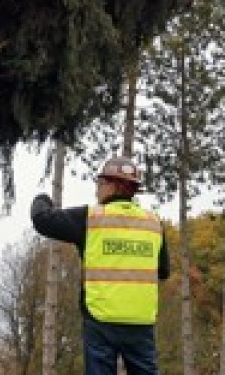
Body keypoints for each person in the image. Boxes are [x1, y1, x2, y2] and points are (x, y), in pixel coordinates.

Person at [31, 155, 170, 375]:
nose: (97, 189)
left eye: (100, 183)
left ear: (113, 186)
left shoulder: (90, 218)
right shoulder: (153, 223)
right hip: (140, 323)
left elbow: (41, 219)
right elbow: (163, 271)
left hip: (100, 320)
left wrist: (42, 197)